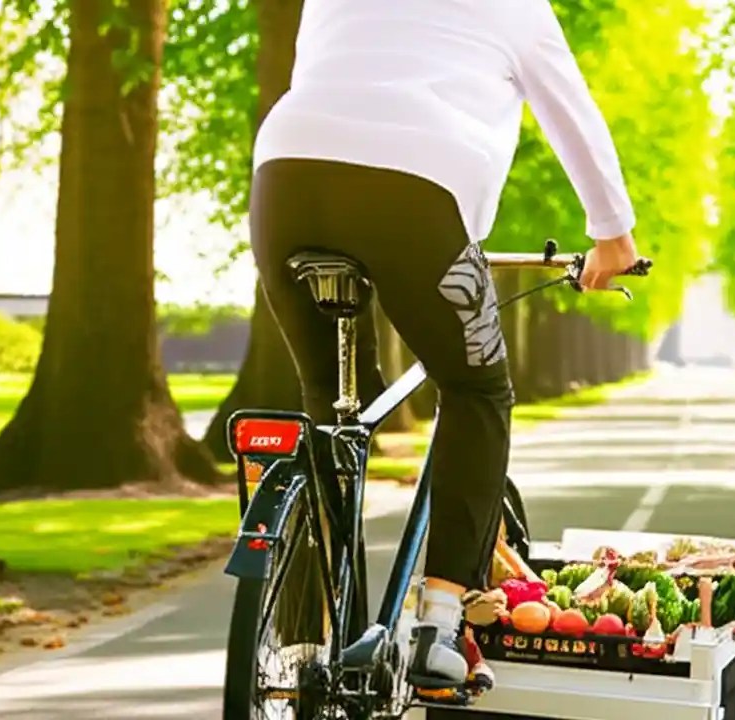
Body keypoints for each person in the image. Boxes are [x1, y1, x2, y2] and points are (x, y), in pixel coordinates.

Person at [249, 0, 639, 690]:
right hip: (412, 187)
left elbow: (328, 73)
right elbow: (571, 115)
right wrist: (613, 235)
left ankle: (306, 643)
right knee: (476, 390)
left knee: (324, 408)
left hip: (284, 172)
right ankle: (438, 624)